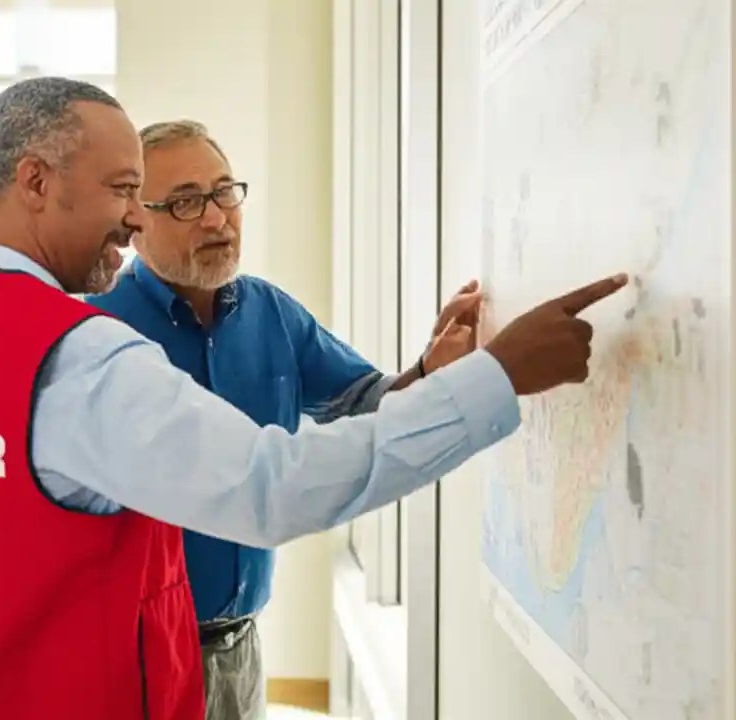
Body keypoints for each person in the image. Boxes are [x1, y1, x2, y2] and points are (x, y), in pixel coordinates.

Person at [0, 76, 626, 720]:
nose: (133, 219)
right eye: (124, 191)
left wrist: (435, 373)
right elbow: (270, 487)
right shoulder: (78, 354)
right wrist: (496, 379)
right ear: (35, 182)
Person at [85, 119, 479, 720]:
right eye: (187, 202)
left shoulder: (271, 312)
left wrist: (430, 368)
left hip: (242, 644)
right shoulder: (95, 332)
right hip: (131, 655)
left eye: (224, 192)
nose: (217, 218)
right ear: (135, 224)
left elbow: (366, 399)